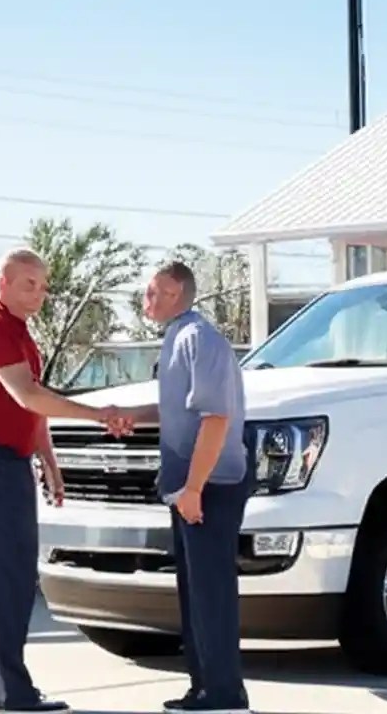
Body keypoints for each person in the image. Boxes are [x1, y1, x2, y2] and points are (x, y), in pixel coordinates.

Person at [0, 246, 129, 713]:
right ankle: (12, 694)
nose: (41, 292)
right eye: (30, 283)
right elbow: (28, 394)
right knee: (1, 583)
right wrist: (98, 414)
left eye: (44, 284)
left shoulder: (18, 331)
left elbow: (28, 406)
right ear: (3, 284)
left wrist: (48, 459)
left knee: (4, 581)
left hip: (7, 465)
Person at [116, 261, 252, 714]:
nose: (145, 300)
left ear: (176, 292)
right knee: (194, 592)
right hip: (188, 487)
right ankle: (203, 688)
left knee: (210, 591)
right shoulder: (177, 337)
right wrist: (130, 415)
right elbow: (181, 409)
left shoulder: (200, 339)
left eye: (152, 292)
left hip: (211, 484)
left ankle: (224, 692)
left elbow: (216, 418)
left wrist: (194, 487)